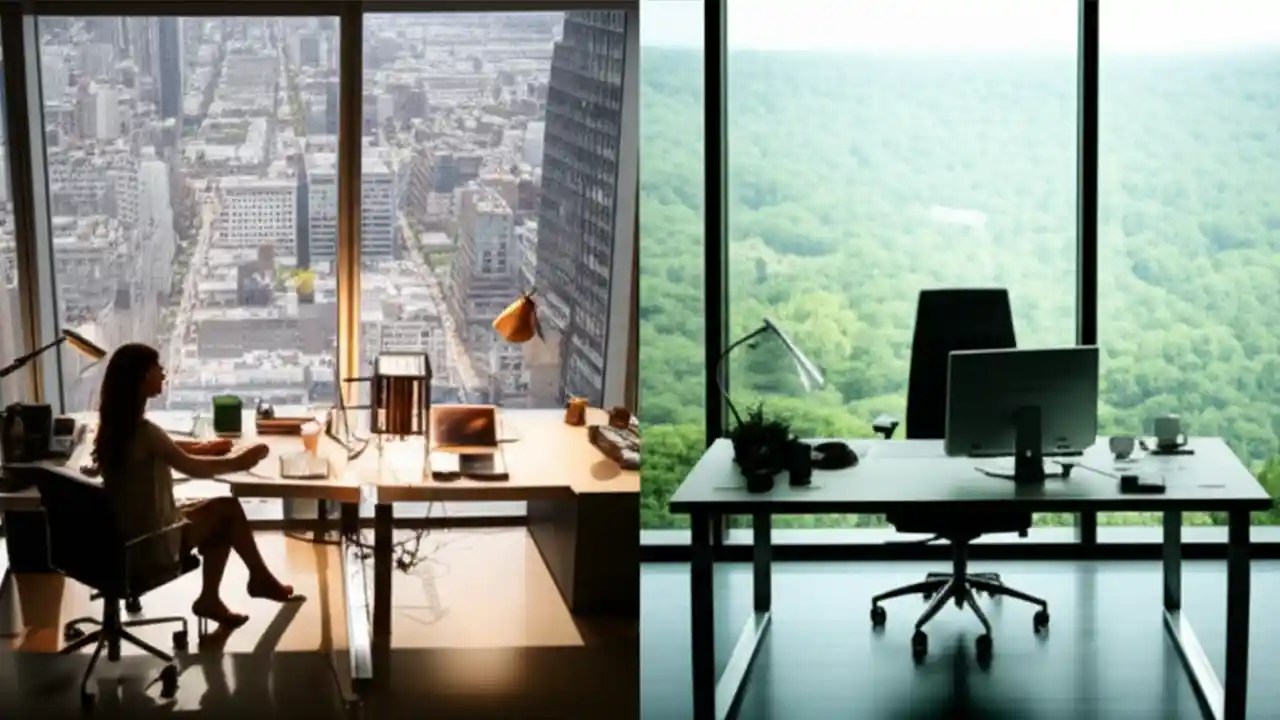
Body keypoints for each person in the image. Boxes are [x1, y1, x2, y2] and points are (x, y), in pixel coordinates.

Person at [89, 343, 301, 631]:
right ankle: (258, 580)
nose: (163, 372)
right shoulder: (144, 432)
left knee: (219, 515)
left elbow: (162, 447)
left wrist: (202, 447)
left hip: (123, 539)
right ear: (143, 377)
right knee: (227, 511)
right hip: (151, 545)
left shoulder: (114, 428)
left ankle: (213, 598)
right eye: (157, 367)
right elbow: (194, 469)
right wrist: (240, 461)